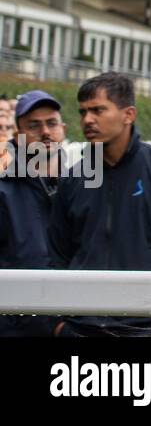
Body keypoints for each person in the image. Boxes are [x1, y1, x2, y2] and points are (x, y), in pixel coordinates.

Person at [46, 73, 151, 336]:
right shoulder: (74, 178)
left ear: (128, 114)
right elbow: (57, 255)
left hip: (147, 326)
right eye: (83, 112)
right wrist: (59, 324)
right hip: (80, 327)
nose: (87, 120)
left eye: (98, 110)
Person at [0, 90, 68, 335]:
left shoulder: (82, 186)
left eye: (51, 123)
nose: (45, 132)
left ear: (63, 129)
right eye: (34, 125)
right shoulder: (4, 191)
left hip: (71, 323)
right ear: (18, 136)